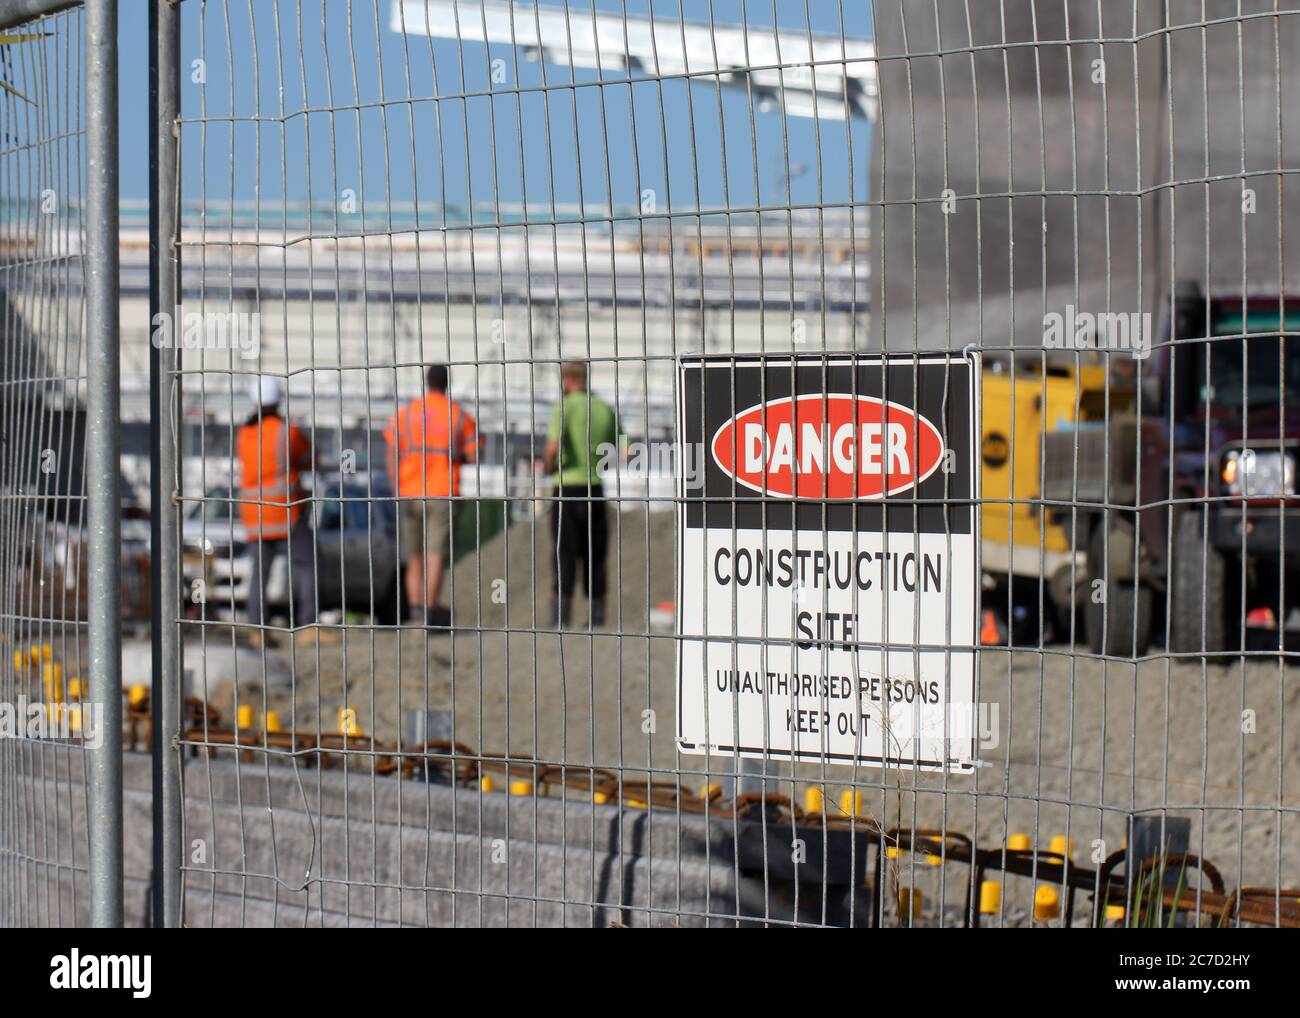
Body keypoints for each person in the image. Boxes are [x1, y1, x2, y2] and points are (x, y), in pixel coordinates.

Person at [384, 364, 479, 627]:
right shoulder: (458, 415)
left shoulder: (407, 414)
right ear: (447, 384)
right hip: (442, 492)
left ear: (427, 382)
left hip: (409, 490)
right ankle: (428, 611)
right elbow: (474, 453)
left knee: (413, 555)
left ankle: (415, 613)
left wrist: (396, 486)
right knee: (435, 554)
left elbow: (392, 452)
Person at [235, 375, 318, 646]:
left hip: (255, 517)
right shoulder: (286, 431)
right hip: (286, 514)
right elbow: (310, 458)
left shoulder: (244, 433)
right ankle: (308, 626)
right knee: (308, 566)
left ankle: (257, 630)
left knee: (259, 574)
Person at [544, 361, 620, 628]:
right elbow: (625, 449)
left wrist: (548, 466)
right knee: (595, 555)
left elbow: (552, 448)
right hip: (595, 489)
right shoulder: (603, 408)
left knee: (564, 553)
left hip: (567, 489)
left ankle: (560, 620)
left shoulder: (563, 407)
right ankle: (596, 620)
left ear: (567, 379)